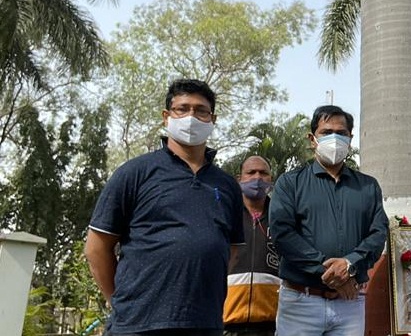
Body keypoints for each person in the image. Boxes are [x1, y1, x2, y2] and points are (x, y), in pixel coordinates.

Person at [85, 78, 245, 335]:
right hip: (138, 324)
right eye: (182, 109)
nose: (191, 116)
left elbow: (233, 249)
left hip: (204, 324)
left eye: (201, 110)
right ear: (166, 116)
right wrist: (119, 303)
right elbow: (96, 247)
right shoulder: (135, 173)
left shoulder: (227, 185)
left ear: (212, 119)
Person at [268, 105, 388, 336]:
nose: (334, 138)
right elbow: (283, 234)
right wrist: (335, 275)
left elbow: (378, 234)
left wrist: (350, 264)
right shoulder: (290, 183)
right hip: (300, 302)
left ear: (350, 139)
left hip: (350, 306)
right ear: (313, 139)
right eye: (326, 132)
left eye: (341, 133)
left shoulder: (368, 186)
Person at [223, 156, 279, 336]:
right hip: (226, 324)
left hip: (271, 326)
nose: (257, 178)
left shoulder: (282, 218)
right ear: (239, 178)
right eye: (251, 173)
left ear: (271, 179)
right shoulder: (225, 215)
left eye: (263, 173)